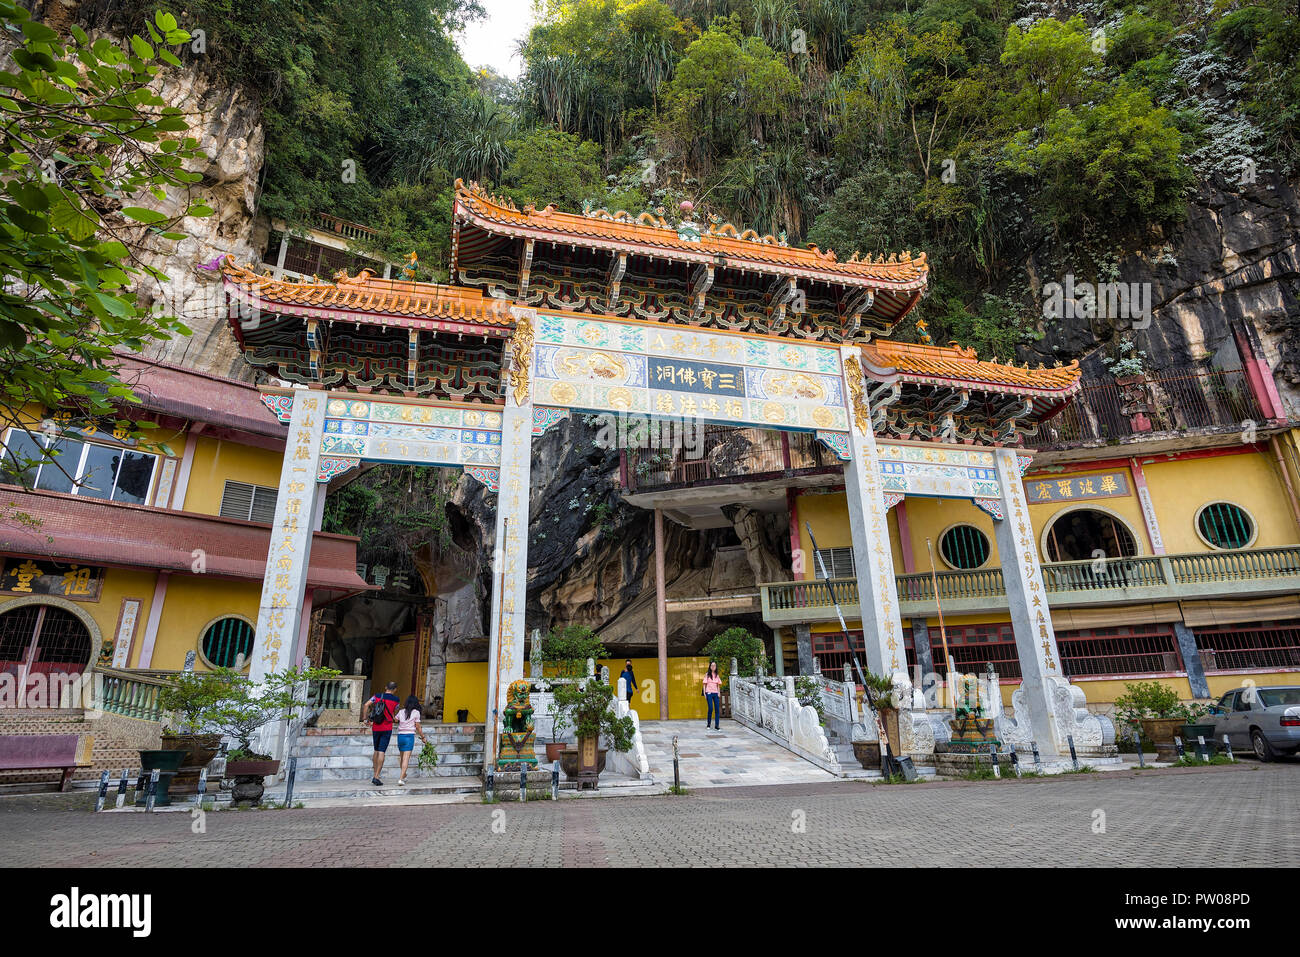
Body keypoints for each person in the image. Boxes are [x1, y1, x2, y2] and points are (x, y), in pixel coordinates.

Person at [366, 681, 400, 786]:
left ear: (385, 687)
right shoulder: (396, 700)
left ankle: (375, 774)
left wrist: (365, 719)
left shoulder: (377, 696)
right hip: (387, 727)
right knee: (382, 751)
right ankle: (376, 776)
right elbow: (394, 711)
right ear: (395, 689)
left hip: (376, 726)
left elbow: (366, 704)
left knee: (376, 750)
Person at [394, 694, 429, 786]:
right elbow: (418, 727)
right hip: (409, 737)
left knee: (402, 758)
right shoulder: (416, 712)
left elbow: (395, 720)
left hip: (400, 736)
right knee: (406, 759)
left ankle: (404, 775)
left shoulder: (401, 711)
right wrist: (423, 737)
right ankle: (401, 779)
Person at [702, 660, 722, 732]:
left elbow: (718, 685)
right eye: (712, 665)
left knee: (717, 709)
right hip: (709, 693)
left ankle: (717, 726)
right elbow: (704, 684)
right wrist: (704, 693)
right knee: (710, 708)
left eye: (715, 666)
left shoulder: (717, 675)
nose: (713, 667)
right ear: (710, 667)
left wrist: (719, 692)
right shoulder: (707, 675)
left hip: (715, 693)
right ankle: (708, 724)